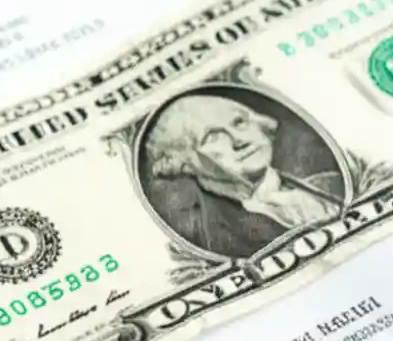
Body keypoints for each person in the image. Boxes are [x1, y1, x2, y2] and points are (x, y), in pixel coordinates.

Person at [143, 94, 344, 259]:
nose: (239, 141)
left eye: (239, 122)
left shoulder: (332, 185)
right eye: (212, 137)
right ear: (183, 163)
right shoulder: (221, 240)